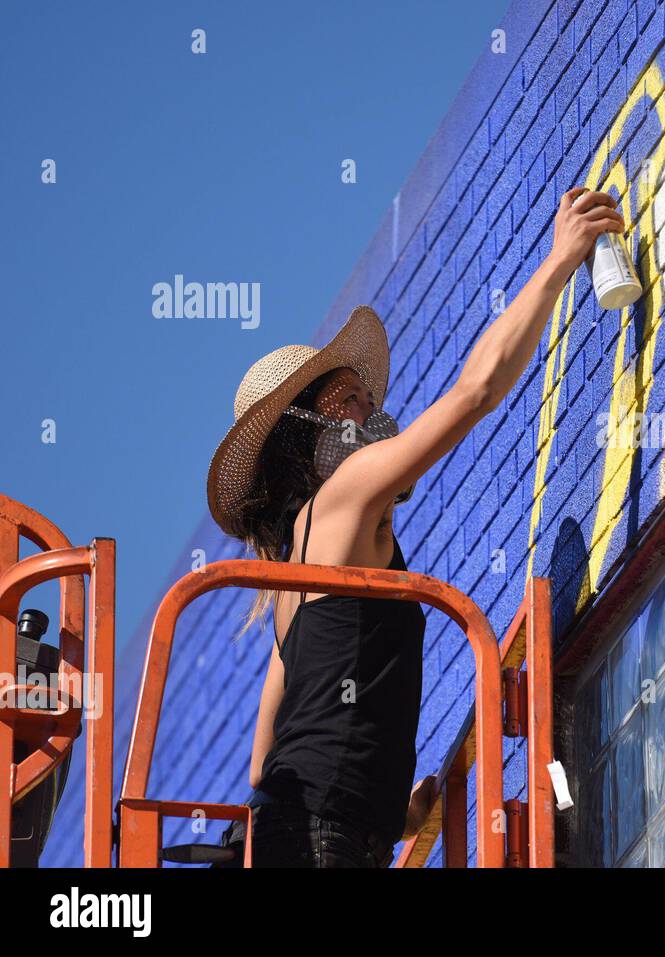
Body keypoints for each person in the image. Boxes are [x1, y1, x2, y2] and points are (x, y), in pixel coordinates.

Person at [204, 187, 624, 867]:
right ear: (302, 438)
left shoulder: (288, 583)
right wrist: (559, 263)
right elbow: (474, 394)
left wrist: (392, 816)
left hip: (310, 837)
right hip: (321, 840)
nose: (373, 413)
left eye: (370, 397)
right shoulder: (342, 497)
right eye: (350, 400)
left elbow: (265, 764)